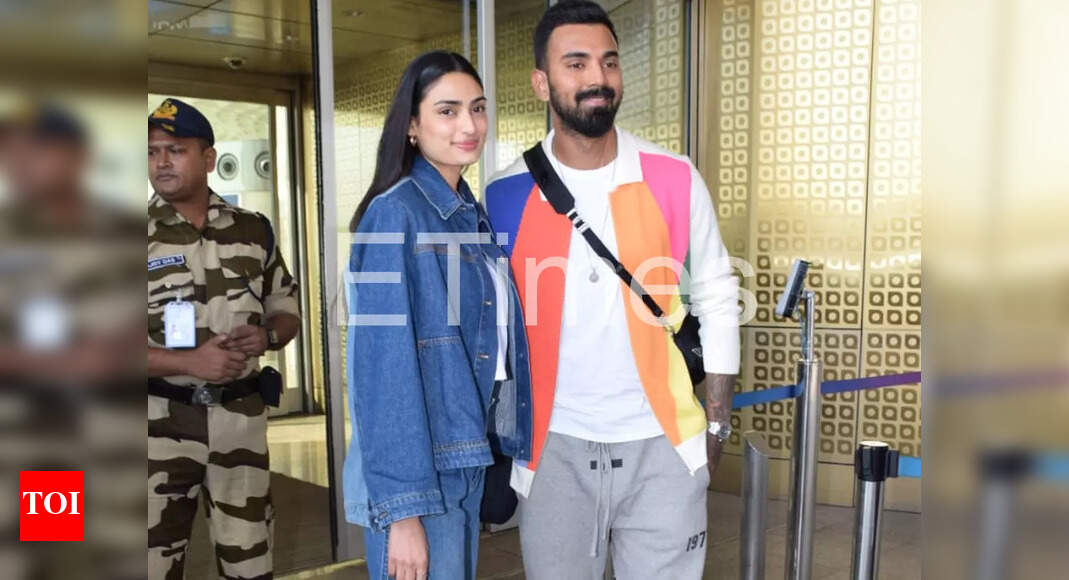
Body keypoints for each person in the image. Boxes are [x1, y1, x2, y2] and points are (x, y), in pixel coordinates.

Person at [484, 2, 741, 578]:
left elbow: (718, 295)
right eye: (575, 64)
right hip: (553, 450)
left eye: (609, 62)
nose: (597, 78)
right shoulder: (505, 193)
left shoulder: (672, 175)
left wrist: (717, 426)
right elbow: (490, 327)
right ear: (541, 82)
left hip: (663, 446)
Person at [343, 51, 532, 580]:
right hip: (420, 476)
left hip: (461, 460)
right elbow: (381, 374)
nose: (469, 125)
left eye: (477, 108)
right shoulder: (394, 214)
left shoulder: (468, 215)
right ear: (411, 125)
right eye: (447, 111)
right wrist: (404, 512)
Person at [146, 98, 301, 580]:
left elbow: (286, 308)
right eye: (152, 152)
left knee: (250, 565)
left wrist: (267, 336)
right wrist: (191, 363)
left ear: (208, 158)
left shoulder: (253, 230)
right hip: (158, 433)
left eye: (176, 149)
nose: (162, 162)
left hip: (240, 428)